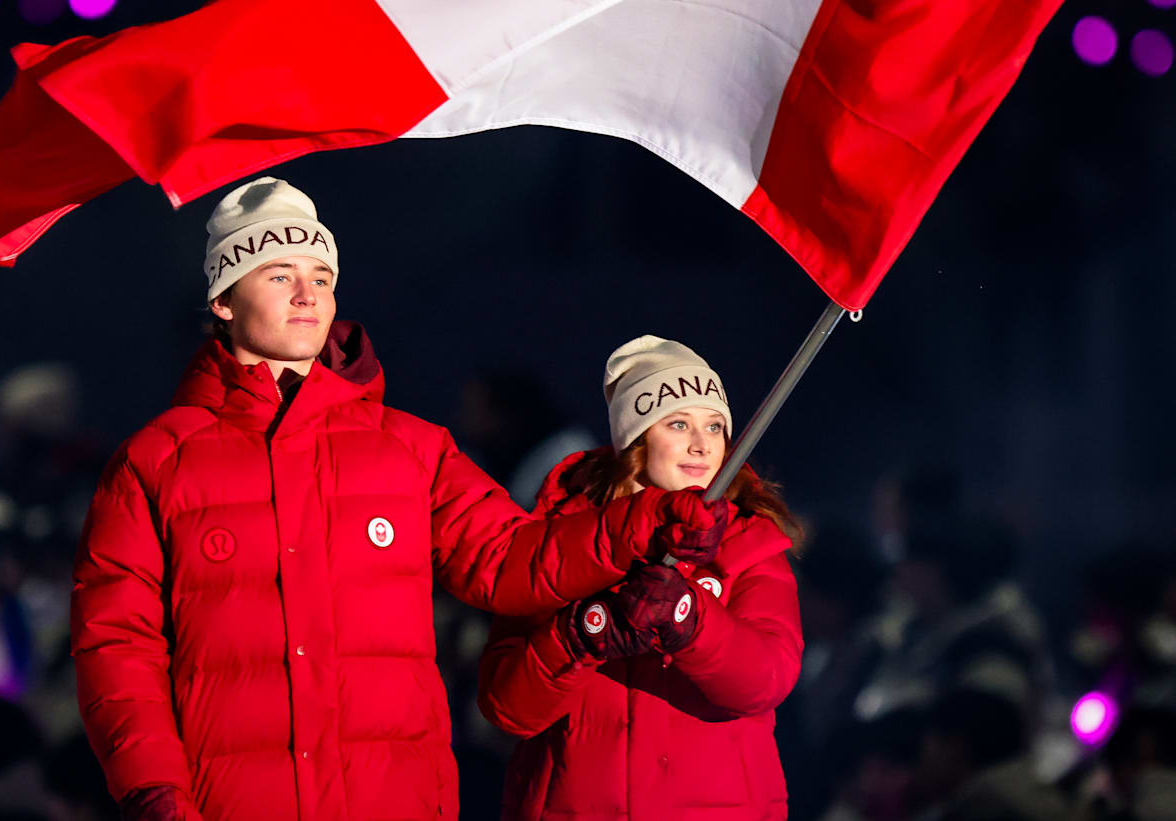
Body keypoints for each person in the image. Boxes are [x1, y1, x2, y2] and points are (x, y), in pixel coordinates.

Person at [70, 178, 718, 820]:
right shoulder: (154, 463)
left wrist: (646, 522)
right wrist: (151, 790)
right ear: (223, 300)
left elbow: (511, 557)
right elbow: (116, 644)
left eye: (322, 277)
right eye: (278, 275)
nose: (308, 295)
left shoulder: (412, 448)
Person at [478, 336, 805, 820]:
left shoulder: (750, 542)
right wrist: (580, 636)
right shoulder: (560, 541)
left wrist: (692, 621)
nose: (702, 443)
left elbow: (766, 680)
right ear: (635, 438)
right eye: (678, 424)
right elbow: (508, 708)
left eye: (715, 426)